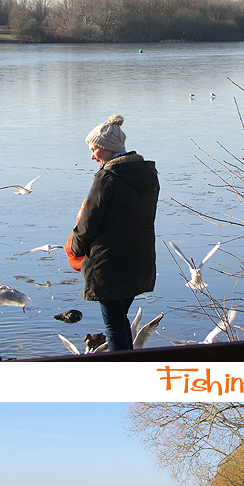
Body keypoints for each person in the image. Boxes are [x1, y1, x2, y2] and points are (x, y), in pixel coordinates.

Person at [68, 114, 159, 351]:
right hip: (139, 262)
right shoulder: (148, 176)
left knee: (114, 324)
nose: (92, 156)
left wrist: (75, 248)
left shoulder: (107, 178)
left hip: (110, 265)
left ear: (108, 148)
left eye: (94, 149)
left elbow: (88, 223)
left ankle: (123, 368)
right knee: (119, 319)